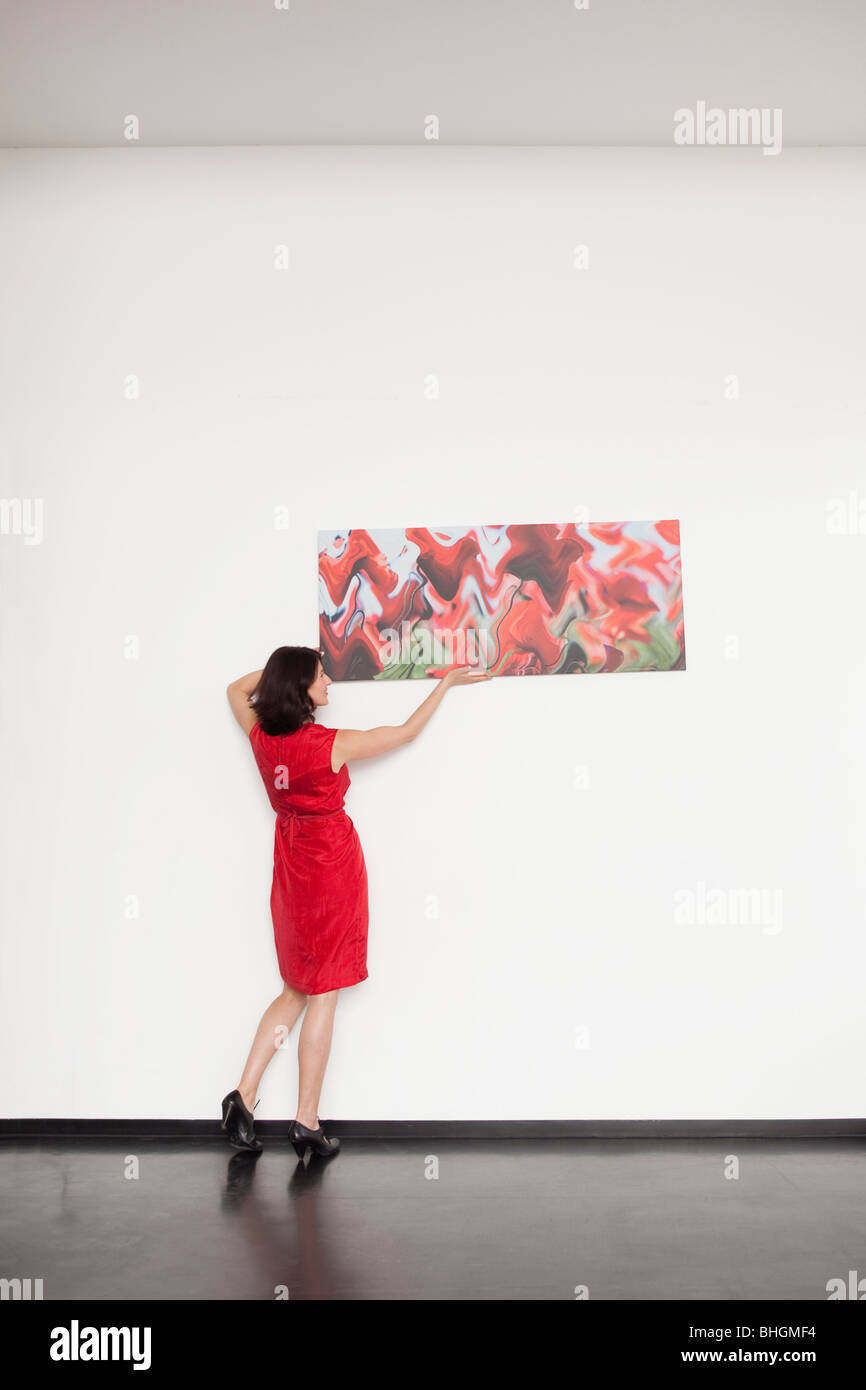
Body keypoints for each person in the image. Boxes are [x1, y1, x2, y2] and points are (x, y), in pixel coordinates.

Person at [220, 645, 491, 1161]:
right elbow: (407, 732)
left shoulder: (260, 735)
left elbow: (236, 689)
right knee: (322, 994)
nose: (329, 686)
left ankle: (244, 1096)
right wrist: (446, 684)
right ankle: (306, 1121)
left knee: (295, 989)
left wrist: (280, 675)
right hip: (329, 868)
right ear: (300, 689)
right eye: (320, 678)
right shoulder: (329, 745)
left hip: (289, 866)